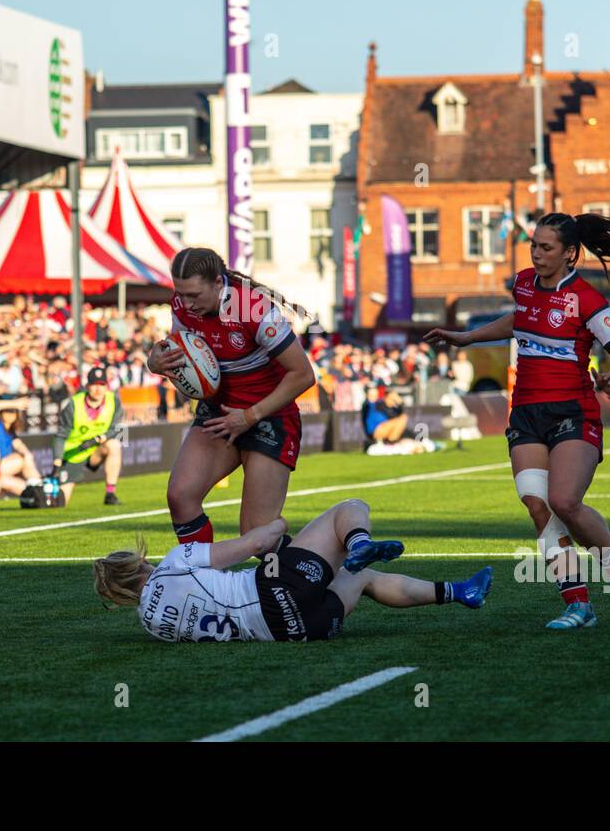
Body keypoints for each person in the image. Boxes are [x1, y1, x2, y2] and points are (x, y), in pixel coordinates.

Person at [425, 212, 610, 630]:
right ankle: (578, 606)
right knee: (538, 507)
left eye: (546, 248)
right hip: (526, 411)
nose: (537, 254)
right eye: (534, 246)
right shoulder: (524, 282)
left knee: (564, 501)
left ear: (568, 254)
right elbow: (520, 320)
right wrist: (467, 337)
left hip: (572, 410)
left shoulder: (585, 298)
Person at [93, 498, 494, 643]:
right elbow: (251, 546)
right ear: (138, 562)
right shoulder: (173, 562)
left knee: (363, 579)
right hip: (272, 588)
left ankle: (461, 592)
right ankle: (358, 543)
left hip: (292, 631)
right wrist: (276, 528)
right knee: (349, 509)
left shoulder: (150, 626)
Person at [147, 247, 316, 542]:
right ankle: (200, 580)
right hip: (219, 414)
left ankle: (323, 557)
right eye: (180, 294)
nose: (186, 304)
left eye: (194, 295)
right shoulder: (181, 305)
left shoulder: (253, 309)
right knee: (180, 496)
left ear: (217, 283)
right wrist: (156, 363)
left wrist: (249, 417)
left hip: (268, 417)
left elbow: (303, 375)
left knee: (257, 536)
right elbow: (187, 370)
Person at [52, 367, 124, 507]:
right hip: (73, 454)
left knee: (114, 445)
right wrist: (57, 462)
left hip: (94, 452)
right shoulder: (73, 405)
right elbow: (60, 436)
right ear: (87, 386)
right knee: (60, 502)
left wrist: (100, 438)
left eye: (102, 385)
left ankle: (110, 494)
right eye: (94, 385)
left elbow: (117, 428)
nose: (98, 389)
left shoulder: (114, 401)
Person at [0, 400, 43, 490]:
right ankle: (40, 484)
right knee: (20, 459)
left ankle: (39, 486)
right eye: (7, 411)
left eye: (13, 412)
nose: (10, 415)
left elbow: (20, 445)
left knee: (25, 488)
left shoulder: (11, 432)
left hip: (0, 475)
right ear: (1, 413)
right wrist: (16, 403)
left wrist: (28, 455)